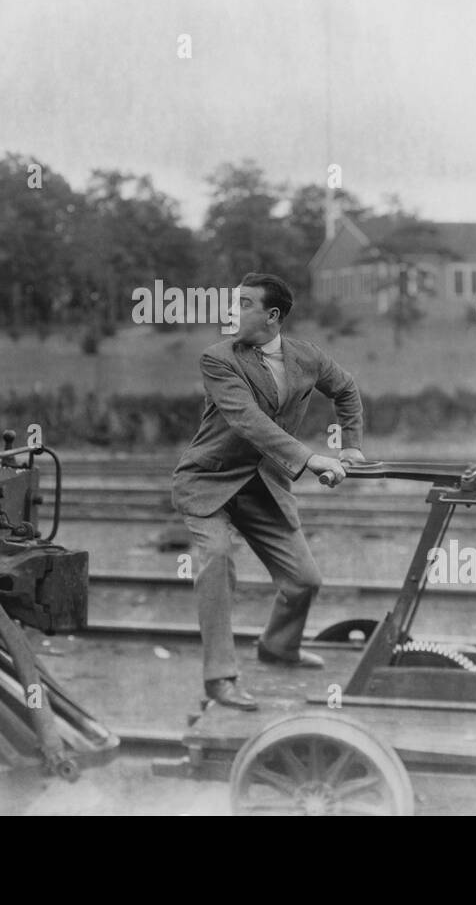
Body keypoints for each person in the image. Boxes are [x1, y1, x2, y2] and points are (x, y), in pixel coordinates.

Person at [171, 272, 365, 710]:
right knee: (217, 560)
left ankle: (278, 646)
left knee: (304, 581)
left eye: (243, 304)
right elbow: (247, 421)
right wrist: (311, 459)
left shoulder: (307, 358)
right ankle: (220, 678)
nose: (231, 310)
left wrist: (351, 447)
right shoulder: (218, 359)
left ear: (272, 316)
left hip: (262, 484)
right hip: (209, 481)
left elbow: (346, 389)